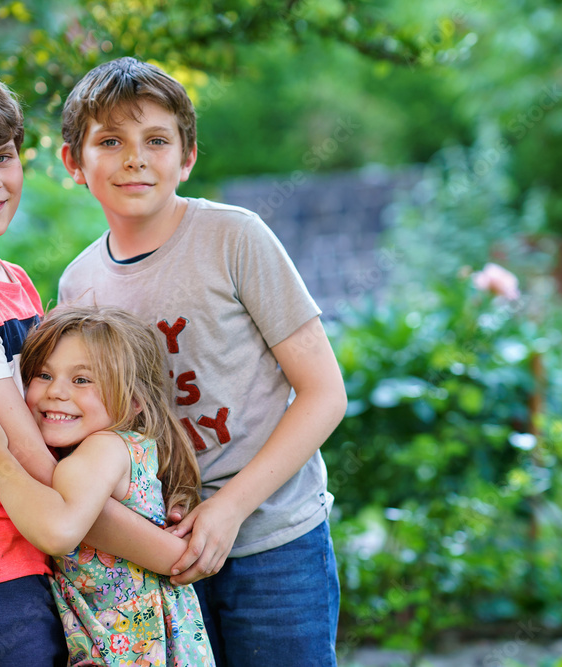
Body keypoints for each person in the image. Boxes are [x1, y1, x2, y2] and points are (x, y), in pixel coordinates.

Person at [0, 57, 189, 666]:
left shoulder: (12, 282)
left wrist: (147, 497)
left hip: (30, 563)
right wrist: (166, 552)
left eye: (2, 156)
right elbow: (32, 463)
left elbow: (68, 430)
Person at [55, 56, 349, 666]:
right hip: (157, 556)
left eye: (156, 140)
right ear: (73, 163)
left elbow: (325, 393)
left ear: (187, 156)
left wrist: (230, 507)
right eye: (110, 141)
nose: (135, 159)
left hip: (273, 542)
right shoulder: (78, 286)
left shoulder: (235, 237)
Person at [0, 306, 216, 666]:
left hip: (136, 650)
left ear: (134, 401)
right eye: (44, 375)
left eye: (82, 380)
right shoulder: (111, 448)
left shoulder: (103, 449)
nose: (56, 391)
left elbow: (58, 531)